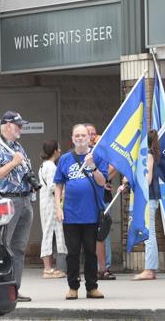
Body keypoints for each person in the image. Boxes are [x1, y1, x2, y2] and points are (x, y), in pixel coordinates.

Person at [0, 111, 36, 302]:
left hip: (24, 200)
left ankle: (15, 288)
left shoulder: (17, 146)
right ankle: (2, 288)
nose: (21, 128)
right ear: (7, 125)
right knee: (5, 246)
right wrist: (13, 163)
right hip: (8, 200)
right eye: (18, 125)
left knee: (19, 247)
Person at [54, 124, 108, 300]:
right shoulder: (65, 159)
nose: (80, 138)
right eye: (76, 135)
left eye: (83, 135)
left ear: (89, 138)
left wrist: (92, 166)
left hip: (91, 214)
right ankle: (73, 287)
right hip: (70, 214)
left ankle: (92, 287)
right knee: (73, 253)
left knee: (91, 252)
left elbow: (102, 182)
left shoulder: (98, 156)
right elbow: (58, 184)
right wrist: (58, 207)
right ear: (72, 138)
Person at [86, 123, 116, 281]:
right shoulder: (81, 154)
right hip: (87, 199)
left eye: (93, 133)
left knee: (103, 232)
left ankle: (105, 267)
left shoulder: (103, 153)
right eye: (88, 133)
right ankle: (93, 267)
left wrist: (102, 179)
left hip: (104, 198)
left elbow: (114, 167)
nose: (91, 136)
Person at [134, 130, 163, 280]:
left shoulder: (149, 156)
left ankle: (149, 270)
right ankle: (150, 269)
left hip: (149, 198)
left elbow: (148, 179)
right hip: (151, 198)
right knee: (150, 232)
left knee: (149, 233)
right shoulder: (152, 154)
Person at [38, 139, 66, 279]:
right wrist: (64, 193)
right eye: (59, 148)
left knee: (50, 232)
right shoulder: (50, 167)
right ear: (55, 151)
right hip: (50, 203)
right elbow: (52, 187)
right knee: (49, 233)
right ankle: (48, 269)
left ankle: (50, 268)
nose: (60, 150)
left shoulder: (45, 165)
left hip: (46, 203)